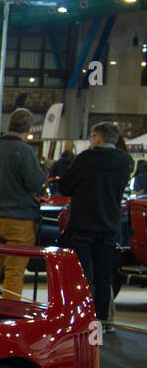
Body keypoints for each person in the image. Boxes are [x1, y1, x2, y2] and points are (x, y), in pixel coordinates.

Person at [59, 122, 134, 325]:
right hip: (109, 226)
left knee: (81, 278)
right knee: (104, 278)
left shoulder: (85, 159)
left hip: (82, 224)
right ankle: (102, 323)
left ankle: (80, 321)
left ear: (97, 137)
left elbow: (65, 187)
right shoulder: (126, 162)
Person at [0, 108, 47, 301]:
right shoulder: (25, 151)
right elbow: (36, 183)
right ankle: (9, 316)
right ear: (28, 128)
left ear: (9, 125)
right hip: (19, 219)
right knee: (14, 271)